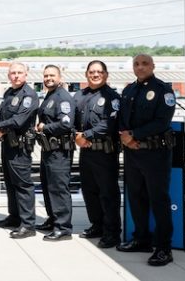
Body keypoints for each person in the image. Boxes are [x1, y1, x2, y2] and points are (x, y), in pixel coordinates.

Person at [117, 54, 176, 267]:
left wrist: (134, 134)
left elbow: (162, 122)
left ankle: (164, 248)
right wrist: (127, 137)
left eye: (144, 64)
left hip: (155, 154)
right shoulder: (129, 90)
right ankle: (141, 239)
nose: (140, 67)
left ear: (153, 66)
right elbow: (122, 118)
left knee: (158, 200)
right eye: (136, 64)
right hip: (133, 153)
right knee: (136, 197)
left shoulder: (163, 90)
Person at [74, 60, 121, 248]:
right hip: (86, 152)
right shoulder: (80, 95)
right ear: (86, 74)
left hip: (105, 154)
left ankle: (112, 233)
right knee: (89, 191)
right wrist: (76, 136)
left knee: (108, 193)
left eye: (99, 72)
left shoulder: (112, 97)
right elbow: (71, 120)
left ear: (106, 75)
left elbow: (109, 123)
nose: (95, 75)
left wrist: (86, 135)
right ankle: (97, 225)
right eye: (91, 72)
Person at [0, 62, 39, 239]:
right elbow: (0, 113)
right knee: (11, 184)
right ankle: (15, 217)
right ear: (8, 76)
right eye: (13, 73)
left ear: (26, 75)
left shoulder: (29, 95)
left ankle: (28, 225)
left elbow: (19, 120)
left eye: (20, 73)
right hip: (7, 144)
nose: (16, 76)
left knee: (22, 185)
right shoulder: (9, 93)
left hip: (20, 147)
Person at [34, 65, 76, 241]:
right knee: (48, 186)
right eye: (46, 75)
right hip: (48, 149)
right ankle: (53, 220)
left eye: (52, 75)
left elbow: (66, 123)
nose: (48, 78)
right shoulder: (51, 96)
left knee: (58, 188)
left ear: (60, 77)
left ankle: (63, 227)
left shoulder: (63, 97)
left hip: (59, 150)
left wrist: (45, 127)